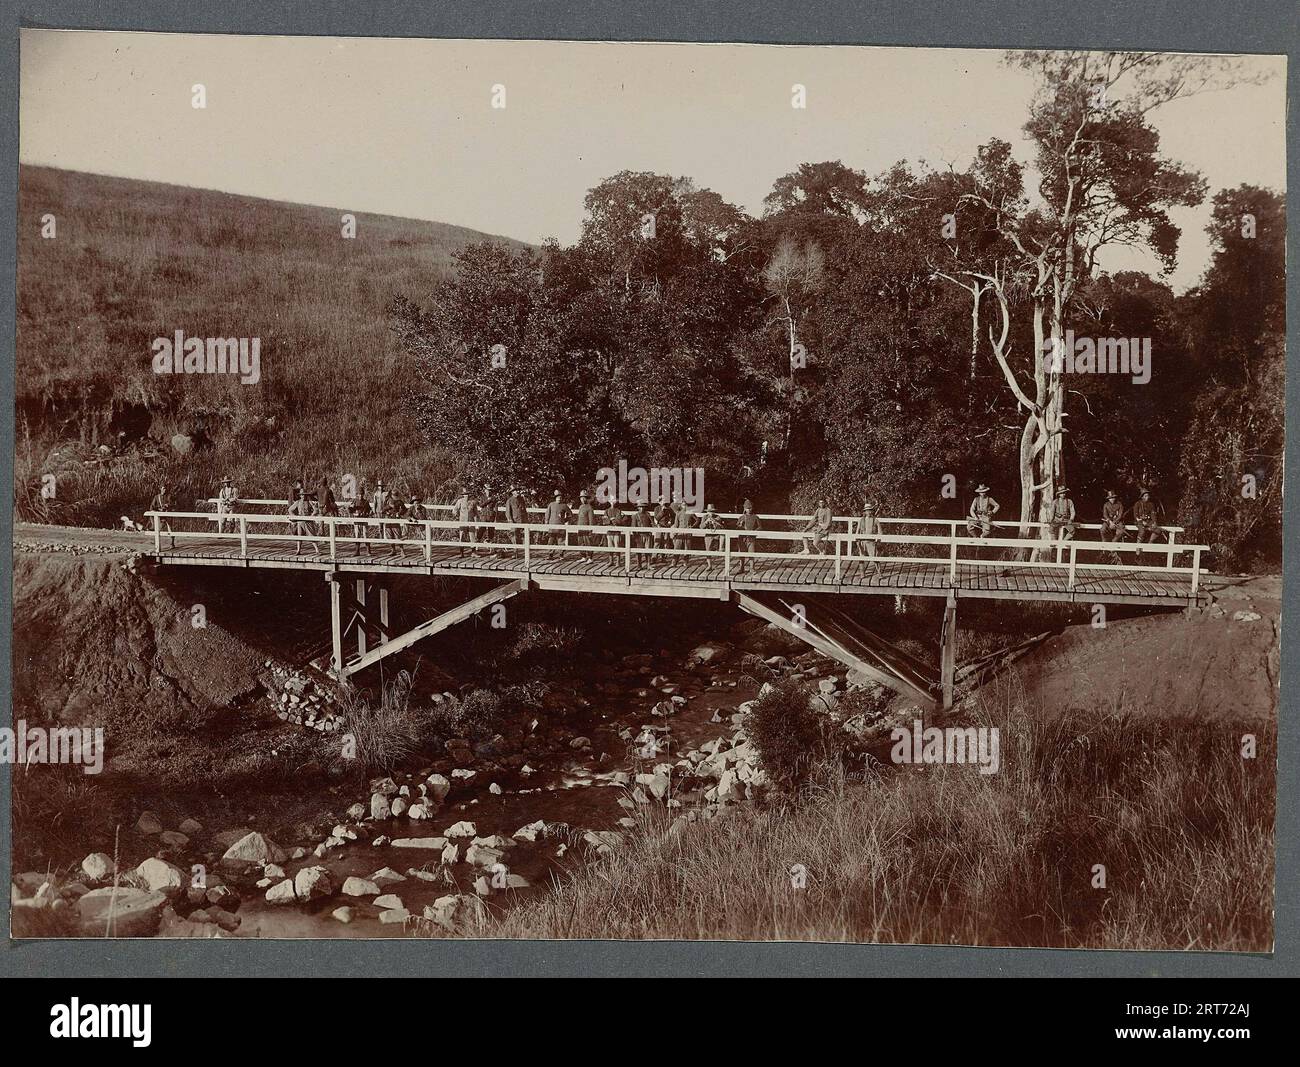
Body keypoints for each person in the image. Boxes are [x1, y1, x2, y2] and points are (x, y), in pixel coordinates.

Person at [287, 488, 320, 556]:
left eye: (304, 495)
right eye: (302, 495)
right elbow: (290, 509)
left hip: (307, 521)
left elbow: (316, 510)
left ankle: (317, 550)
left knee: (311, 535)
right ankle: (298, 550)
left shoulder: (309, 501)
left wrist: (311, 515)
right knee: (299, 536)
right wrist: (294, 517)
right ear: (300, 495)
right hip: (300, 521)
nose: (303, 496)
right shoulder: (298, 502)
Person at [855, 500, 882, 577]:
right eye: (867, 511)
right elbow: (857, 531)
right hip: (863, 541)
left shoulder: (875, 520)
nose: (869, 512)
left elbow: (880, 532)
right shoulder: (861, 520)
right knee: (861, 557)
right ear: (865, 512)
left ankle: (879, 572)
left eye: (870, 511)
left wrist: (878, 540)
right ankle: (862, 573)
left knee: (875, 557)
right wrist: (857, 541)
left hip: (871, 542)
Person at [1100, 489, 1126, 563]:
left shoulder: (1119, 504)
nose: (1112, 499)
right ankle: (1104, 546)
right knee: (1102, 529)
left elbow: (1120, 515)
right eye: (1110, 498)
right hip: (1108, 521)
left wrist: (1114, 522)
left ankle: (1113, 542)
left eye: (1113, 497)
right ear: (1108, 498)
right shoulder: (1106, 505)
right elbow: (1105, 515)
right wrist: (1110, 522)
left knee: (1120, 532)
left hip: (1118, 521)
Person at [1132, 486, 1161, 553]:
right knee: (1142, 532)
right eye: (1145, 496)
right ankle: (1138, 547)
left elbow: (1153, 514)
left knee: (1158, 530)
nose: (1147, 497)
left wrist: (1154, 522)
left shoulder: (1151, 504)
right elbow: (1135, 515)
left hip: (1148, 522)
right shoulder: (1137, 504)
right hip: (1139, 521)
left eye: (1147, 495)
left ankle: (1150, 543)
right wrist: (1142, 521)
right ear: (1142, 497)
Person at [736, 499, 761, 574]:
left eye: (750, 508)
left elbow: (760, 527)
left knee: (751, 553)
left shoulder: (755, 517)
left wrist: (754, 532)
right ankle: (741, 567)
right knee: (741, 553)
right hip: (742, 538)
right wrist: (739, 525)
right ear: (744, 509)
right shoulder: (741, 517)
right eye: (747, 508)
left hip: (751, 538)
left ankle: (752, 568)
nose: (749, 510)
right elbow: (737, 527)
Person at [631, 500, 655, 568]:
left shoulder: (647, 514)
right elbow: (633, 526)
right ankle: (639, 565)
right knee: (639, 551)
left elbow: (652, 523)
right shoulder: (635, 516)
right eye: (640, 507)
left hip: (647, 535)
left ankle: (648, 564)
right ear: (638, 508)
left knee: (648, 550)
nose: (642, 508)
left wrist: (652, 530)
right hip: (639, 535)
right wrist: (635, 536)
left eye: (643, 507)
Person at [574, 489, 597, 563]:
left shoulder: (589, 507)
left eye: (584, 497)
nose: (582, 499)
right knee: (580, 542)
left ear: (586, 498)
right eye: (581, 498)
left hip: (586, 528)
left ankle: (590, 557)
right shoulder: (580, 507)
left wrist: (590, 530)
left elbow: (591, 520)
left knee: (588, 542)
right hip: (580, 528)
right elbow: (579, 518)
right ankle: (583, 556)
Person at [151, 483, 175, 548]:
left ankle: (172, 544)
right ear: (160, 489)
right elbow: (152, 507)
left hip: (168, 514)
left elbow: (172, 504)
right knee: (158, 529)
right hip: (160, 515)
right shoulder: (156, 497)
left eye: (165, 488)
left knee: (170, 529)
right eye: (163, 488)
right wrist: (156, 510)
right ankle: (157, 545)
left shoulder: (169, 496)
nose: (165, 490)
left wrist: (167, 506)